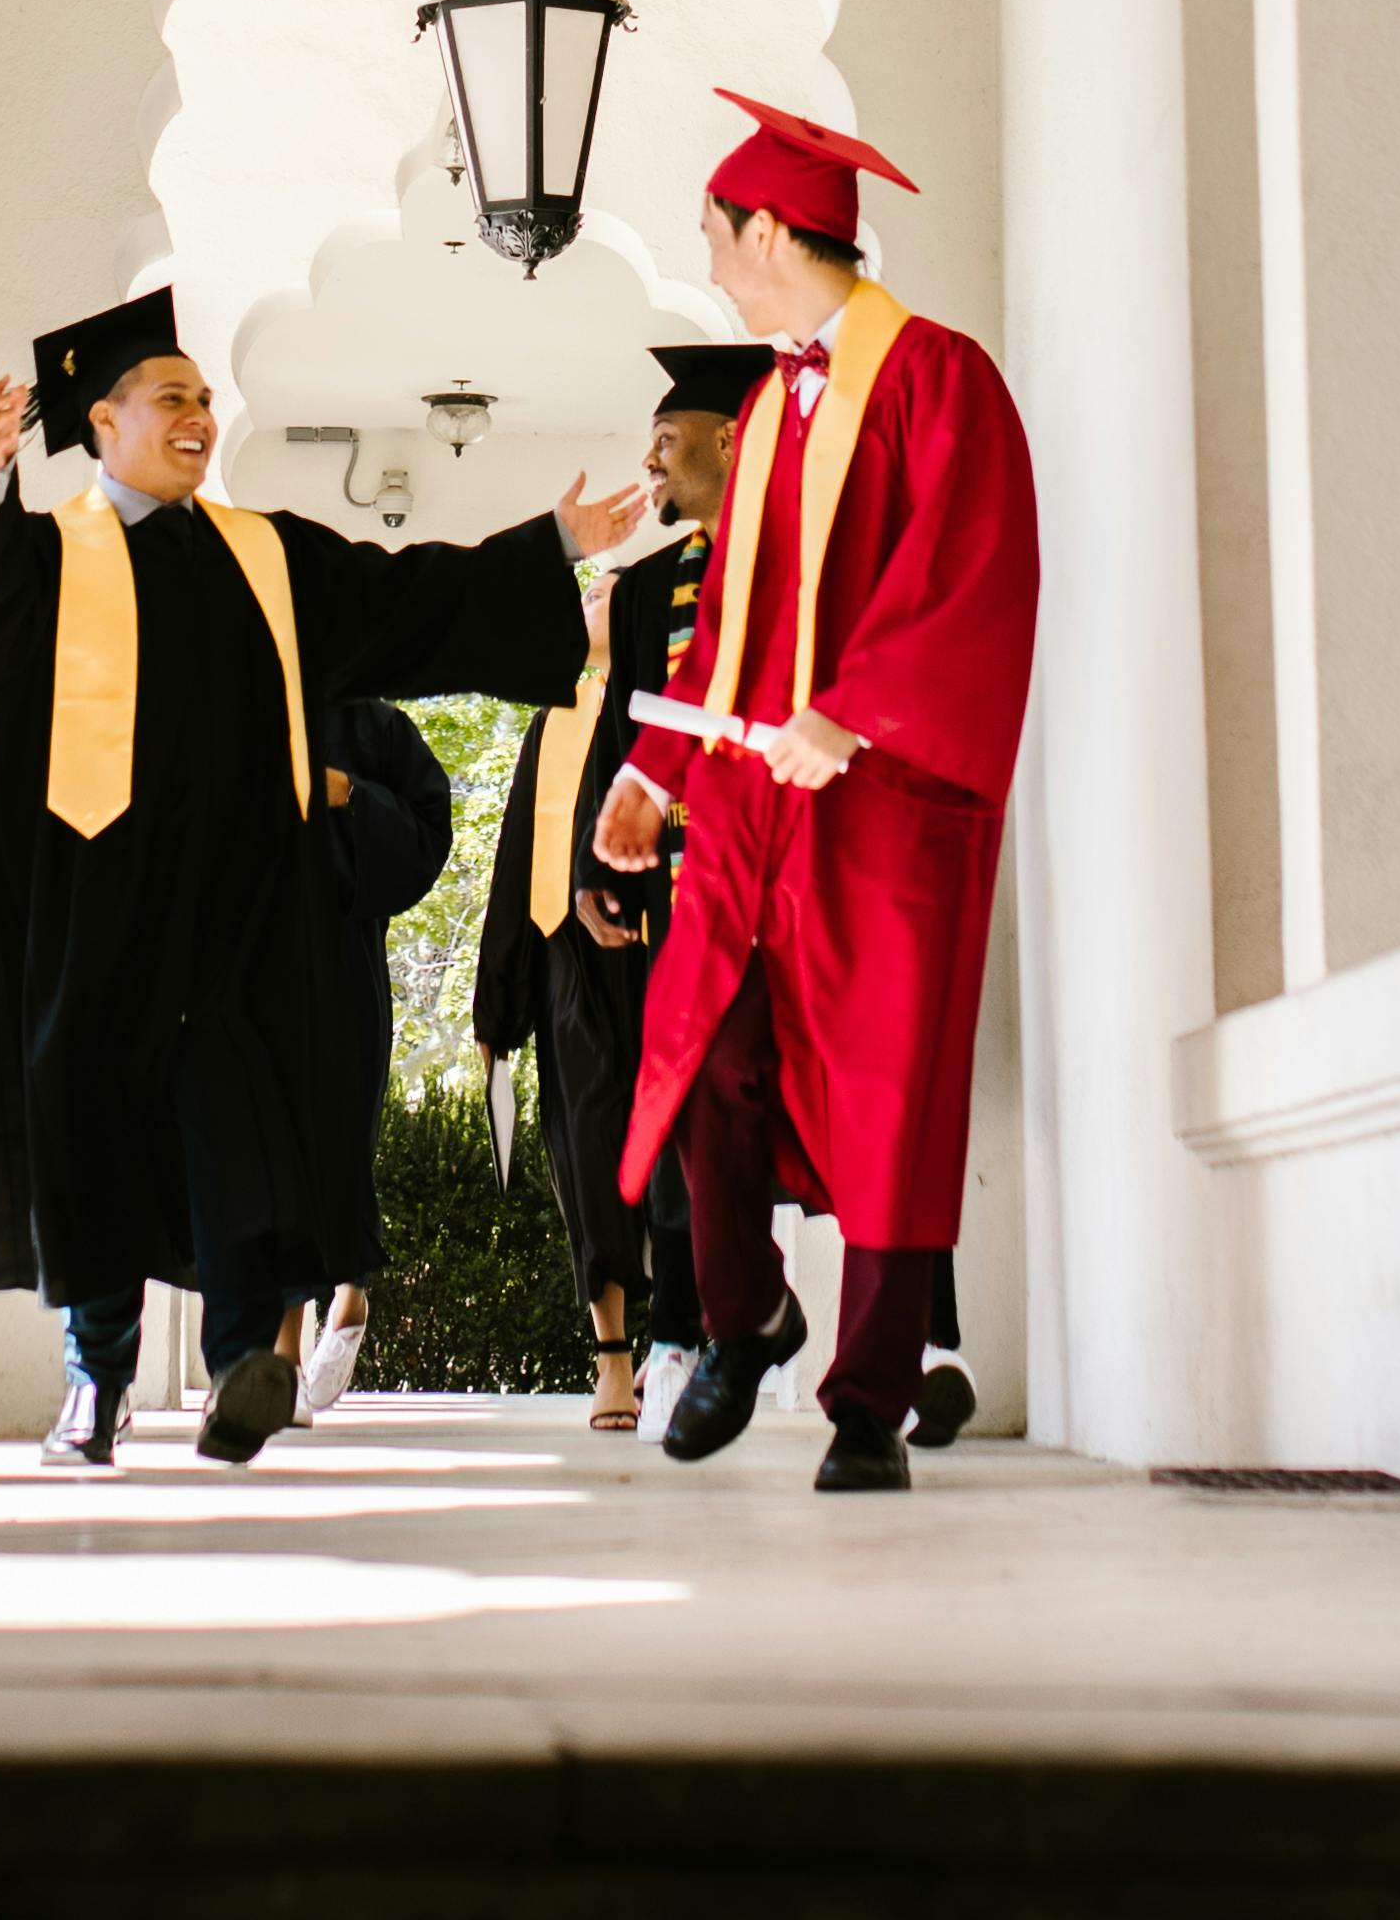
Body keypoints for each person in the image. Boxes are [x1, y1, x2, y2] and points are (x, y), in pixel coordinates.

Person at [0, 285, 635, 1469]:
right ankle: (95, 1382)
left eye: (206, 397)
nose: (199, 413)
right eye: (172, 396)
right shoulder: (49, 556)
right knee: (94, 1126)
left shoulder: (265, 555)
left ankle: (235, 1370)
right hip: (94, 906)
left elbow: (399, 596)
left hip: (243, 913)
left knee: (239, 1134)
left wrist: (551, 546)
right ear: (101, 421)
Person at [595, 93, 1043, 1494]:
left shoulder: (935, 378)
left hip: (882, 805)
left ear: (775, 229)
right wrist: (647, 770)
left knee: (889, 1089)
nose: (709, 263)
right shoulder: (773, 406)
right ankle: (744, 1316)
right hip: (744, 805)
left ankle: (866, 1401)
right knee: (708, 1058)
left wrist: (851, 711)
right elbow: (723, 608)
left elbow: (975, 570)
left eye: (716, 237)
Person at [477, 342, 750, 1427]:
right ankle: (678, 1333)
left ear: (729, 441)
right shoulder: (645, 590)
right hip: (670, 900)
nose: (650, 467)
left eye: (665, 445)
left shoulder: (792, 563)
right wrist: (599, 871)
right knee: (673, 1121)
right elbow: (619, 745)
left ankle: (852, 1332)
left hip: (770, 882)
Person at [294, 688, 456, 1420]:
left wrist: (347, 794)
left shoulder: (375, 722)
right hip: (245, 958)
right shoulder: (241, 694)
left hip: (340, 966)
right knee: (263, 1148)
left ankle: (344, 1293)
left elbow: (428, 829)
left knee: (334, 1143)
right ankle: (272, 1353)